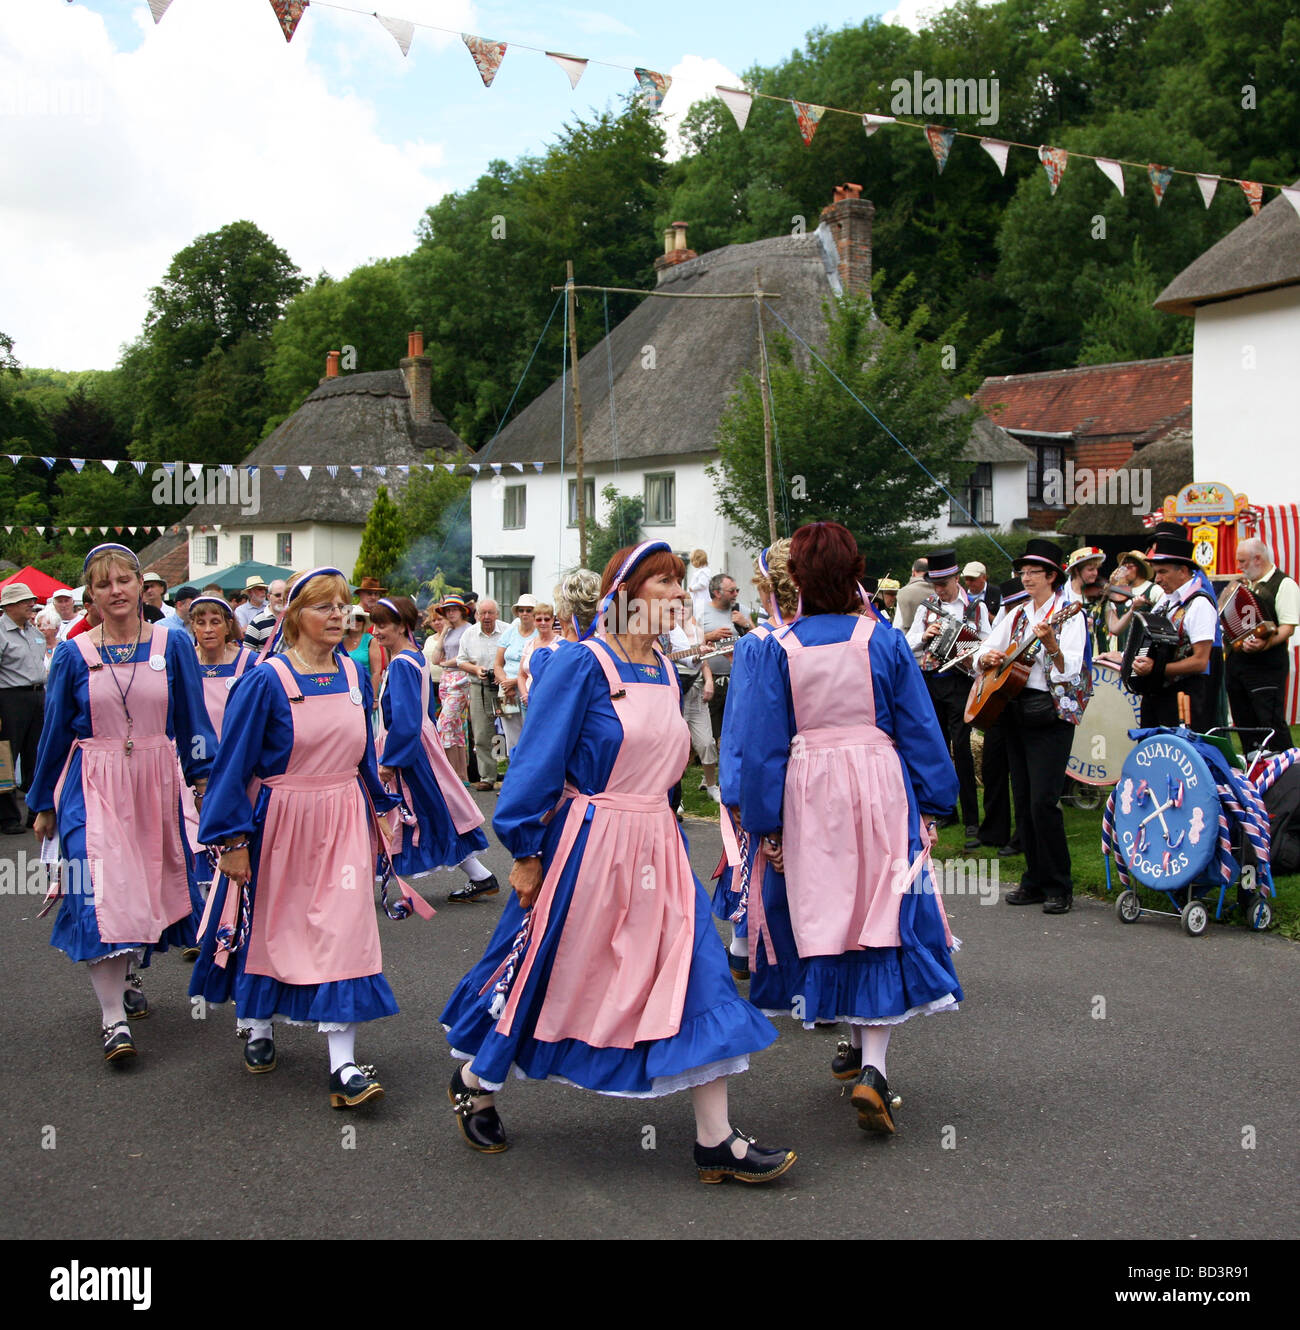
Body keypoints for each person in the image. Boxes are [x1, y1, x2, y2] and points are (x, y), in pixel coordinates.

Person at [440, 541, 794, 1184]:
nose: (680, 596)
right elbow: (536, 762)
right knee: (554, 970)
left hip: (657, 844)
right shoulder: (581, 664)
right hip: (589, 846)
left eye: (682, 585)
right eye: (666, 584)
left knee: (694, 971)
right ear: (626, 594)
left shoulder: (664, 666)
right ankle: (475, 1078)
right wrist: (524, 852)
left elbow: (665, 773)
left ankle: (715, 1139)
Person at [737, 522, 962, 1134]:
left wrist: (767, 826)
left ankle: (859, 1056)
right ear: (854, 570)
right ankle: (874, 1068)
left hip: (811, 789)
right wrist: (935, 803)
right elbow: (919, 727)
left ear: (798, 579)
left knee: (830, 912)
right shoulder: (883, 640)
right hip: (880, 780)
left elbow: (762, 748)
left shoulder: (774, 646)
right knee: (881, 915)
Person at [190, 568, 414, 1105]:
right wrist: (232, 841)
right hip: (281, 820)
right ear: (294, 617)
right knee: (273, 927)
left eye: (342, 606)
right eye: (325, 607)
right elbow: (232, 765)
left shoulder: (356, 676)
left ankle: (343, 1066)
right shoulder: (265, 680)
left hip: (342, 818)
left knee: (345, 931)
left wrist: (384, 807)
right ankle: (259, 1023)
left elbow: (365, 754)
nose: (339, 615)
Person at [28, 544, 216, 1062]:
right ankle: (113, 1019)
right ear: (91, 594)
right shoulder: (73, 653)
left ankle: (129, 969)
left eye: (123, 581)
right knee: (97, 892)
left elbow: (193, 720)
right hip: (92, 783)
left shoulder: (172, 645)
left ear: (140, 586)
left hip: (155, 779)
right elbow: (53, 734)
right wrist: (43, 801)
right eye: (103, 584)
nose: (115, 591)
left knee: (145, 888)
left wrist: (204, 780)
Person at [975, 538, 1087, 914]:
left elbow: (1069, 670)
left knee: (1043, 802)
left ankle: (1059, 883)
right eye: (1022, 571)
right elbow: (983, 649)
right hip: (1014, 710)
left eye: (1033, 572)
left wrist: (1052, 644)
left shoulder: (1070, 614)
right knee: (1022, 801)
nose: (1025, 577)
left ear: (1052, 576)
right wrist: (986, 656)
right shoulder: (1017, 613)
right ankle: (1034, 879)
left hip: (1052, 714)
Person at [369, 596, 498, 904]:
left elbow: (405, 719)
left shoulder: (402, 663)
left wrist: (390, 760)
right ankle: (479, 875)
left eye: (383, 624)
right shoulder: (414, 656)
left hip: (408, 748)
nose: (375, 631)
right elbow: (420, 712)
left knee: (413, 811)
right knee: (435, 809)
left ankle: (354, 879)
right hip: (420, 743)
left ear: (401, 626)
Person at [715, 541, 799, 981]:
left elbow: (742, 725)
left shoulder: (761, 644)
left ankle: (753, 946)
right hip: (822, 772)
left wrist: (735, 788)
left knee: (762, 857)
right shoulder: (846, 633)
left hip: (772, 771)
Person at [905, 549, 990, 851]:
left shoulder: (975, 609)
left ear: (956, 578)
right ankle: (946, 812)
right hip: (931, 682)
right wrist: (925, 636)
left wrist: (968, 648)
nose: (939, 589)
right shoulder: (926, 608)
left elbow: (985, 647)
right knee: (938, 749)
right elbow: (908, 644)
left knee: (963, 749)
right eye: (935, 583)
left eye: (944, 582)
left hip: (960, 682)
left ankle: (971, 821)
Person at [1116, 534, 1217, 732]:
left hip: (1184, 697)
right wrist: (1122, 657)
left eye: (1163, 572)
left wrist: (1156, 669)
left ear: (1184, 570)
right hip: (1156, 693)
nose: (1158, 579)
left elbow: (1200, 661)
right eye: (1156, 572)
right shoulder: (1165, 600)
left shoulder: (1200, 604)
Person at [1225, 537, 1298, 745]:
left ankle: (1284, 772)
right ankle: (1254, 770)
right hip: (1239, 665)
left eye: (1242, 561)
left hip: (1266, 667)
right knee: (1245, 723)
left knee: (1269, 724)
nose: (1238, 566)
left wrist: (1265, 643)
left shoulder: (1284, 584)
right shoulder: (1245, 585)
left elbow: (1288, 627)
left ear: (1258, 558)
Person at [977, 579, 1028, 857]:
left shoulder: (1037, 620)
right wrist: (985, 659)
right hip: (999, 701)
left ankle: (1021, 837)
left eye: (1017, 604)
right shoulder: (1008, 621)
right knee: (992, 766)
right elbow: (983, 651)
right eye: (1009, 605)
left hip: (1023, 703)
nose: (1013, 609)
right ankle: (994, 831)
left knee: (1022, 778)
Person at [695, 573, 751, 801]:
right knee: (712, 732)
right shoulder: (702, 612)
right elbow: (693, 643)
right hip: (712, 679)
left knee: (732, 732)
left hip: (736, 678)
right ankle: (709, 778)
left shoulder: (740, 611)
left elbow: (756, 636)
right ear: (717, 593)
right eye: (732, 590)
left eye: (737, 590)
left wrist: (745, 624)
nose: (736, 594)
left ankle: (724, 778)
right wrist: (711, 635)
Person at [0, 583, 47, 833]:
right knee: (6, 757)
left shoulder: (33, 630)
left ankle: (35, 812)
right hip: (9, 698)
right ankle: (7, 817)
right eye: (24, 601)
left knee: (36, 755)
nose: (31, 604)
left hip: (37, 696)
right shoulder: (0, 631)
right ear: (8, 606)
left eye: (30, 600)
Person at [457, 598, 505, 791]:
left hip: (503, 687)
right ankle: (487, 776)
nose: (486, 617)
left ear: (497, 614)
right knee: (482, 733)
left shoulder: (507, 630)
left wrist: (502, 674)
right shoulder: (469, 634)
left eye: (490, 613)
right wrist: (476, 669)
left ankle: (504, 774)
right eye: (482, 613)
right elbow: (461, 661)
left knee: (502, 732)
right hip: (478, 686)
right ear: (476, 615)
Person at [426, 595, 472, 783]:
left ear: (462, 611)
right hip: (445, 679)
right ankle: (461, 776)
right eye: (447, 610)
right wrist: (444, 631)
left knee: (443, 724)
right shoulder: (449, 631)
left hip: (460, 679)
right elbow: (436, 659)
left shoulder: (469, 630)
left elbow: (470, 657)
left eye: (454, 609)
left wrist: (449, 663)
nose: (450, 613)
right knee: (455, 728)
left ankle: (447, 774)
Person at [494, 595, 538, 757]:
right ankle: (513, 768)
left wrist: (515, 682)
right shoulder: (509, 633)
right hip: (506, 690)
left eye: (528, 610)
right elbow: (497, 663)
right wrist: (506, 683)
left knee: (530, 729)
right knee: (509, 730)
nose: (525, 613)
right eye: (521, 610)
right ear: (517, 613)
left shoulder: (539, 634)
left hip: (528, 688)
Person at [517, 601, 559, 707]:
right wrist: (525, 694)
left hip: (551, 702)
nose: (543, 622)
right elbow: (521, 675)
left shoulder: (561, 643)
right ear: (534, 621)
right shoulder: (529, 644)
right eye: (539, 619)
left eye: (547, 619)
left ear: (553, 620)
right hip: (528, 702)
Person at [342, 607, 383, 701]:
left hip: (366, 690)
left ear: (364, 622)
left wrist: (373, 698)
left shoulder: (370, 640)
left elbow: (376, 672)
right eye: (352, 619)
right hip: (346, 690)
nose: (355, 622)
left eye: (359, 619)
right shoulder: (339, 642)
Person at [894, 558, 930, 633]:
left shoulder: (904, 592)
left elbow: (898, 624)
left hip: (909, 640)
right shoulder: (939, 589)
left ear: (913, 572)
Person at [35, 605, 62, 675]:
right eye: (38, 625)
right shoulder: (32, 647)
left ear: (56, 628)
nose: (41, 628)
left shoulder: (63, 648)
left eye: (45, 625)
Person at [687, 549, 713, 620]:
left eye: (692, 561)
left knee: (699, 616)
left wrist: (692, 588)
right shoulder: (701, 571)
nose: (692, 563)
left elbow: (702, 584)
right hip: (698, 598)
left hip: (701, 599)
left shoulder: (703, 572)